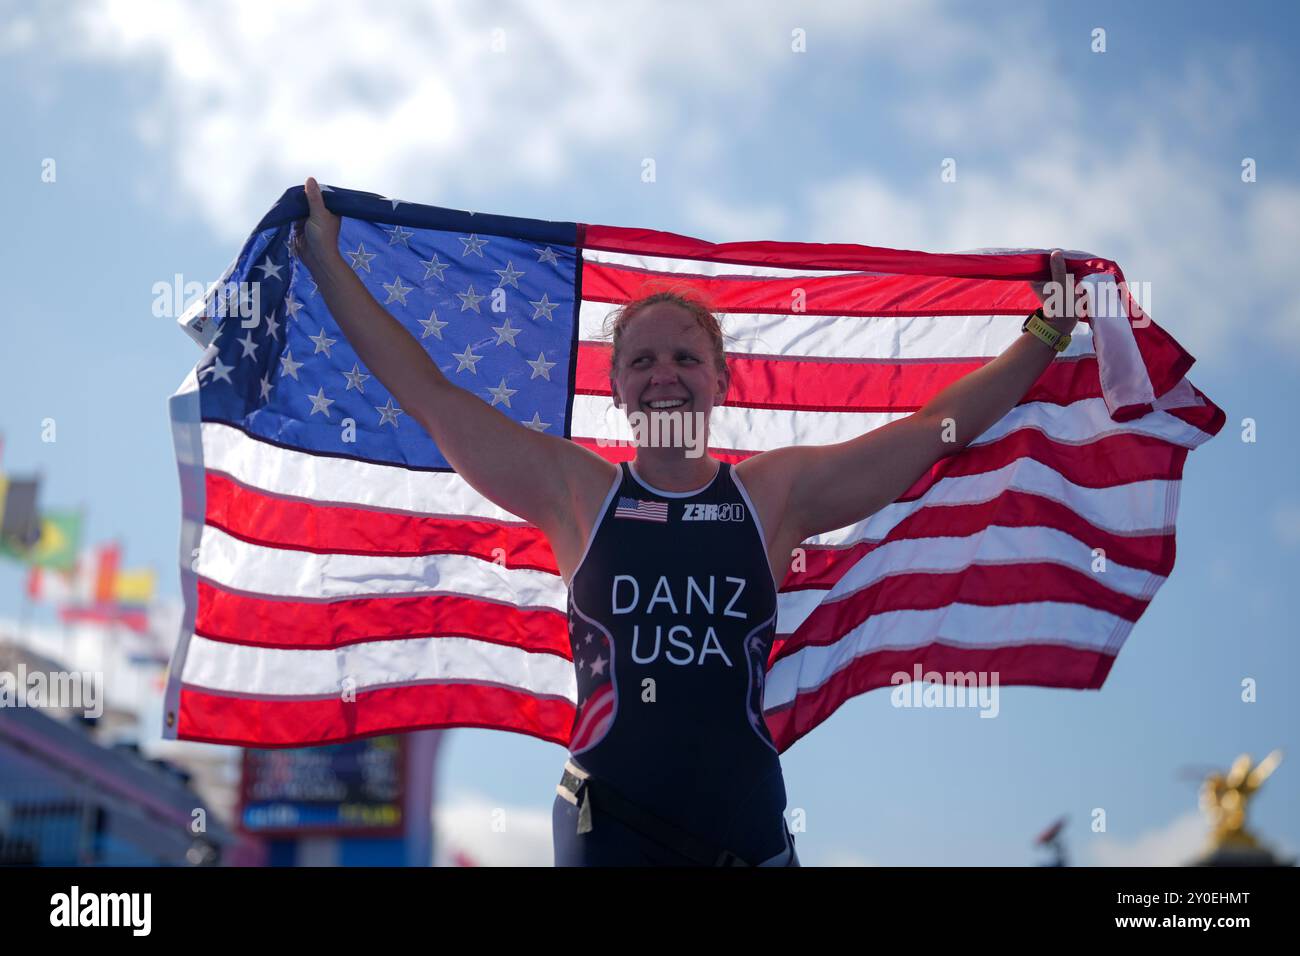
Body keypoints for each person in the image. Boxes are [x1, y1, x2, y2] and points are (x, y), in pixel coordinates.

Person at [290, 176, 1083, 866]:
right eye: (642, 362)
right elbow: (431, 396)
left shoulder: (774, 497)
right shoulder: (575, 492)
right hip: (611, 827)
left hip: (745, 827)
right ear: (619, 391)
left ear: (721, 380)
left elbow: (931, 431)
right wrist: (327, 262)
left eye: (683, 359)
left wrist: (1044, 336)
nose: (663, 375)